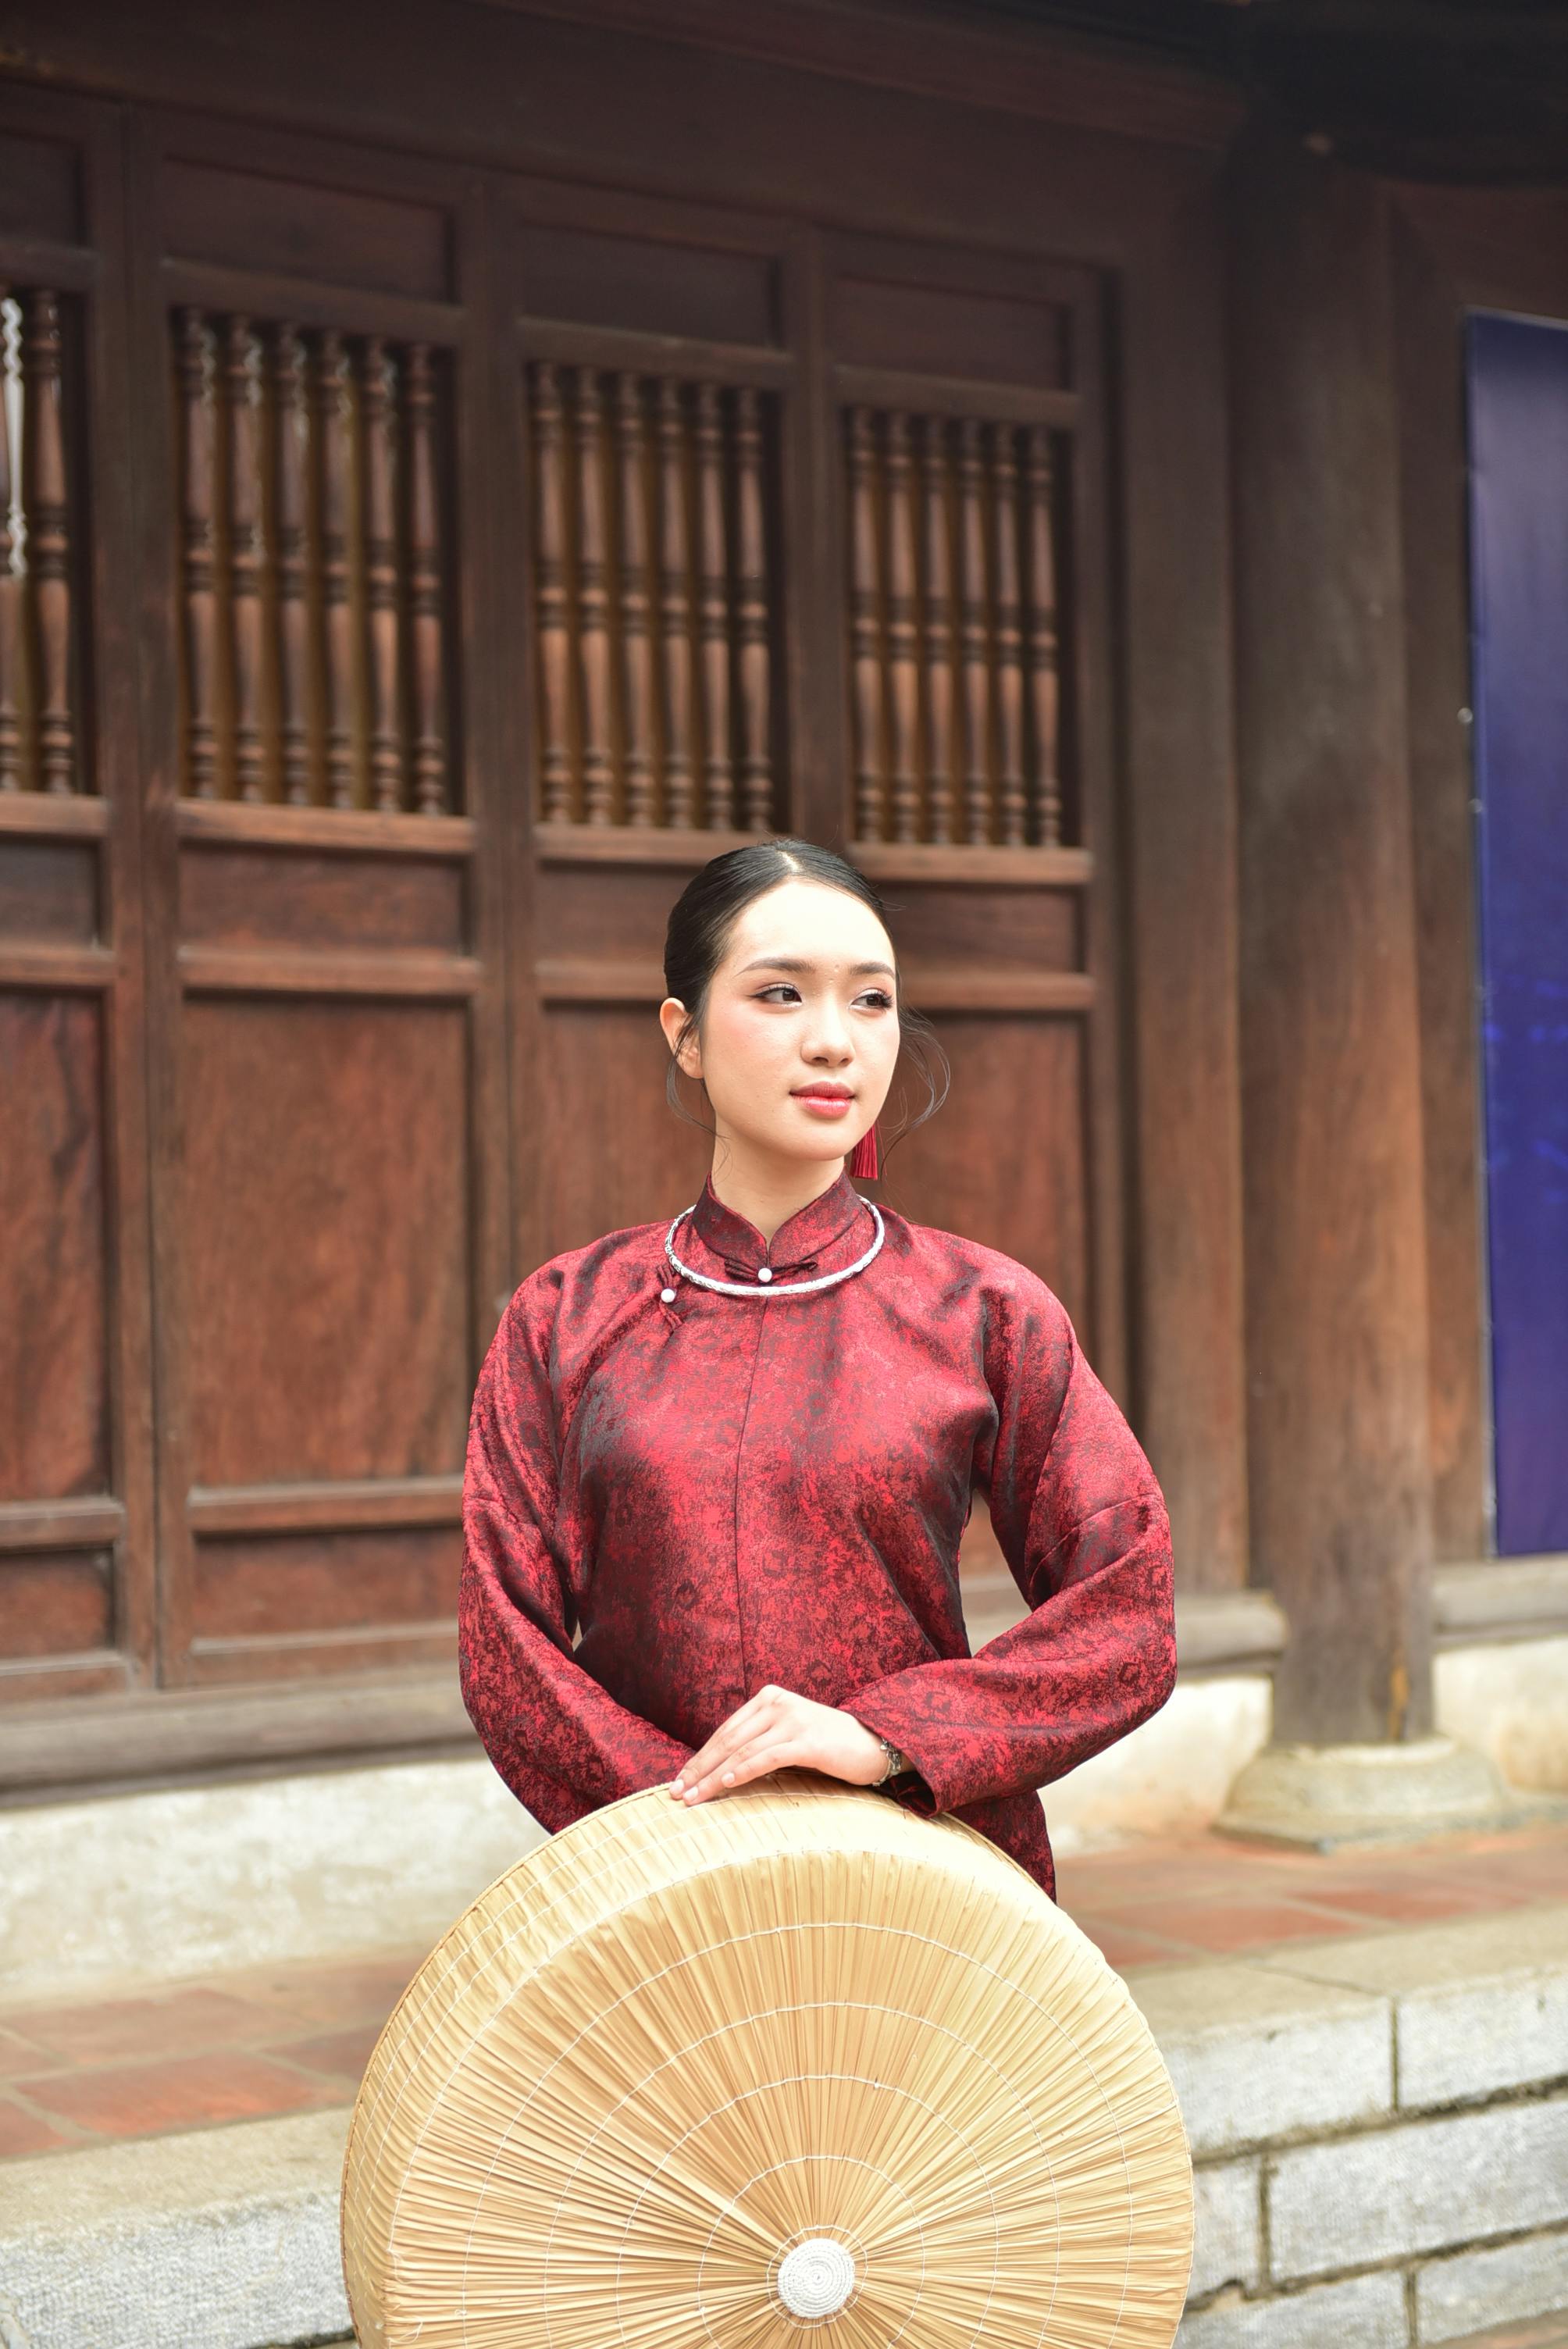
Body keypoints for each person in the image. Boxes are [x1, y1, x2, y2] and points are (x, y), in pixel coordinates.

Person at [458, 838, 1175, 1901]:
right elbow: (503, 1643)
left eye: (872, 1000)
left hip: (927, 1885)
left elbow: (1131, 1611)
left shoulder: (982, 1311)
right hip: (659, 1891)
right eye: (782, 994)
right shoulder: (567, 1316)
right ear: (685, 1035)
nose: (835, 1041)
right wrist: (682, 1820)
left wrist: (884, 1737)